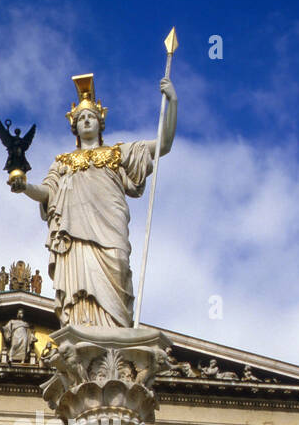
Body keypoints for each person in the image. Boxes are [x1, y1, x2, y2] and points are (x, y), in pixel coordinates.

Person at [9, 75, 177, 329]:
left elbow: (164, 144)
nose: (86, 121)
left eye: (91, 118)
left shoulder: (117, 154)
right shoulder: (63, 162)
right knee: (81, 289)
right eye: (81, 119)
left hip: (110, 225)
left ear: (100, 124)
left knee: (118, 264)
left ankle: (116, 329)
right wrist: (25, 187)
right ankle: (85, 329)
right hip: (75, 233)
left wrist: (172, 101)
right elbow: (47, 192)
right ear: (75, 127)